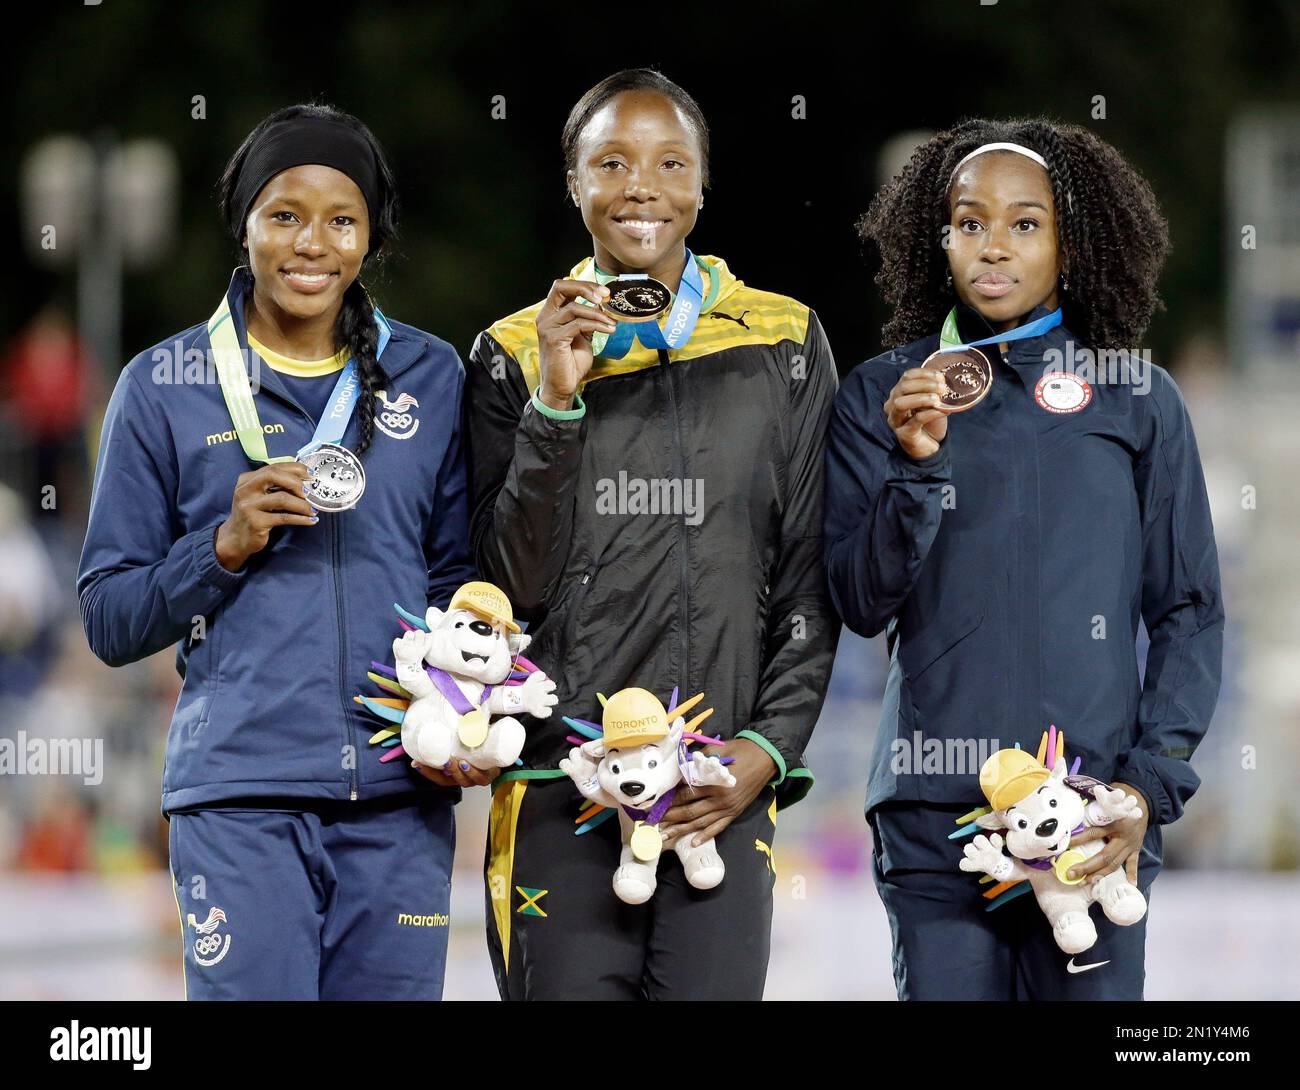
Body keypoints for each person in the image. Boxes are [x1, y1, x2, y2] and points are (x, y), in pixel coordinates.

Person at [77, 103, 479, 1000]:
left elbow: (460, 582)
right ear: (246, 224)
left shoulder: (432, 375)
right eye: (285, 215)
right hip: (239, 798)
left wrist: (462, 713)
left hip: (400, 800)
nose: (312, 244)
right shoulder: (162, 385)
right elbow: (108, 616)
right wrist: (218, 547)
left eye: (342, 220)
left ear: (371, 237)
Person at [825, 119, 1224, 999]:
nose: (993, 246)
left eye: (1025, 223)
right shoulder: (883, 393)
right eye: (969, 222)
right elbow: (858, 600)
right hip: (933, 814)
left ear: (1070, 246)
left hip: (1093, 814)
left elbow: (1188, 607)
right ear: (941, 243)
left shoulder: (1136, 397)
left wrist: (1146, 785)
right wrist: (916, 468)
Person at [464, 68, 840, 1000]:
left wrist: (768, 750)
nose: (642, 186)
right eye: (614, 162)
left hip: (720, 788)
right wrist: (557, 398)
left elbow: (808, 580)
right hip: (561, 784)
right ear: (575, 184)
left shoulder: (783, 341)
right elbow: (504, 583)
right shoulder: (514, 350)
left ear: (702, 184)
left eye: (671, 162)